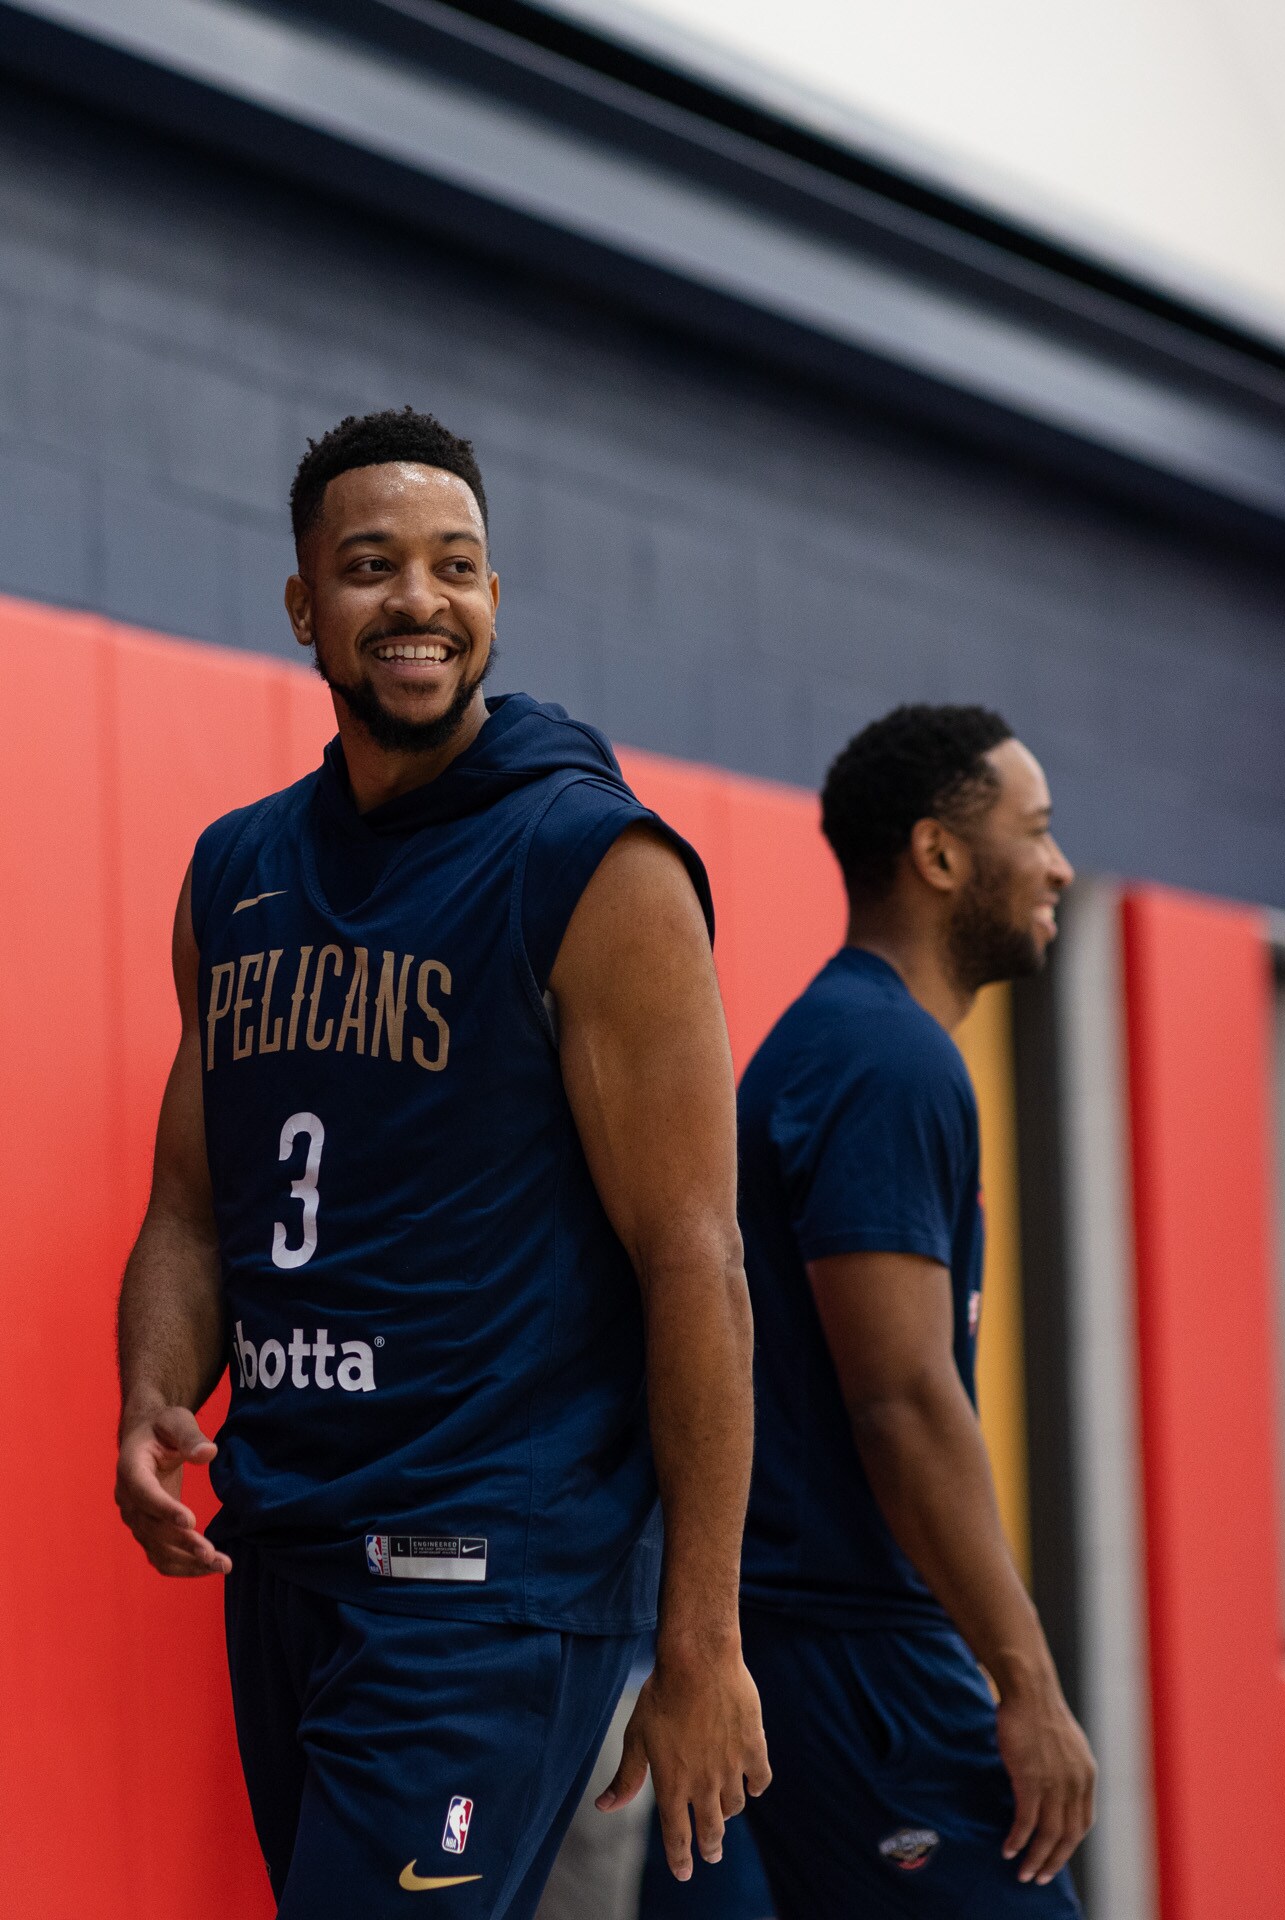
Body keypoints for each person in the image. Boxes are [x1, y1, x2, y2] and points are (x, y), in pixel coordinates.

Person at [113, 409, 769, 1918]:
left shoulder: (595, 865)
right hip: (293, 1550)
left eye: (455, 567)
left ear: (494, 598)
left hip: (493, 1575)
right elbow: (191, 1210)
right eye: (371, 566)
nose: (419, 599)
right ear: (303, 606)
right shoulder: (238, 872)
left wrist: (705, 1638)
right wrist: (153, 1396)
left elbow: (698, 1259)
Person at [735, 705, 1094, 1917]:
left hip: (816, 1644)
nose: (1059, 865)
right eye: (1035, 831)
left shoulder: (844, 1044)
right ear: (938, 856)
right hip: (857, 1656)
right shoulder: (885, 1061)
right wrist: (1026, 1680)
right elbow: (901, 1400)